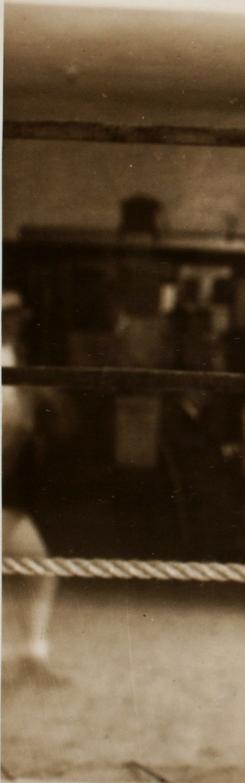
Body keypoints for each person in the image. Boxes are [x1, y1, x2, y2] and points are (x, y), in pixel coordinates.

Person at [2, 291, 70, 690]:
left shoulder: (13, 352)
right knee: (38, 568)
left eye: (17, 316)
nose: (15, 321)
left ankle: (33, 653)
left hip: (6, 481)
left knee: (39, 568)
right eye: (8, 316)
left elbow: (17, 417)